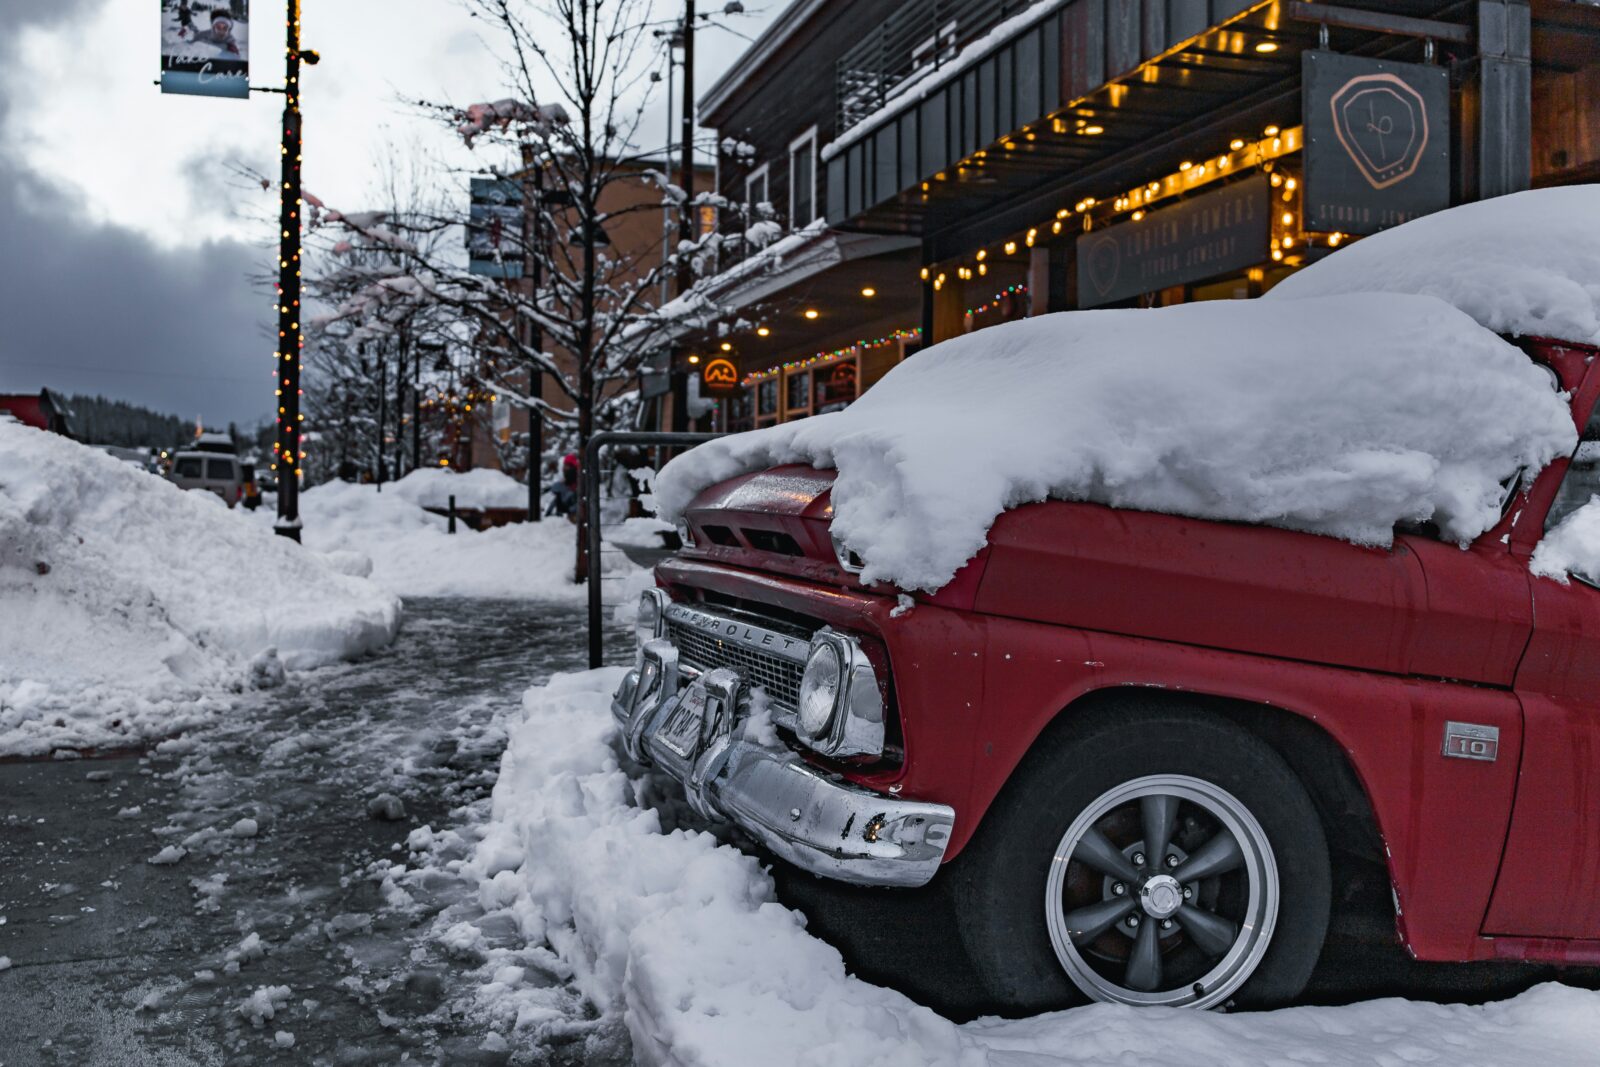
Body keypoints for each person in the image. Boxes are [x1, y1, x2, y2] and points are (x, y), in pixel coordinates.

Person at [546, 453, 580, 520]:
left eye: (566, 465)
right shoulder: (565, 483)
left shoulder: (578, 484)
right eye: (564, 465)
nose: (564, 468)